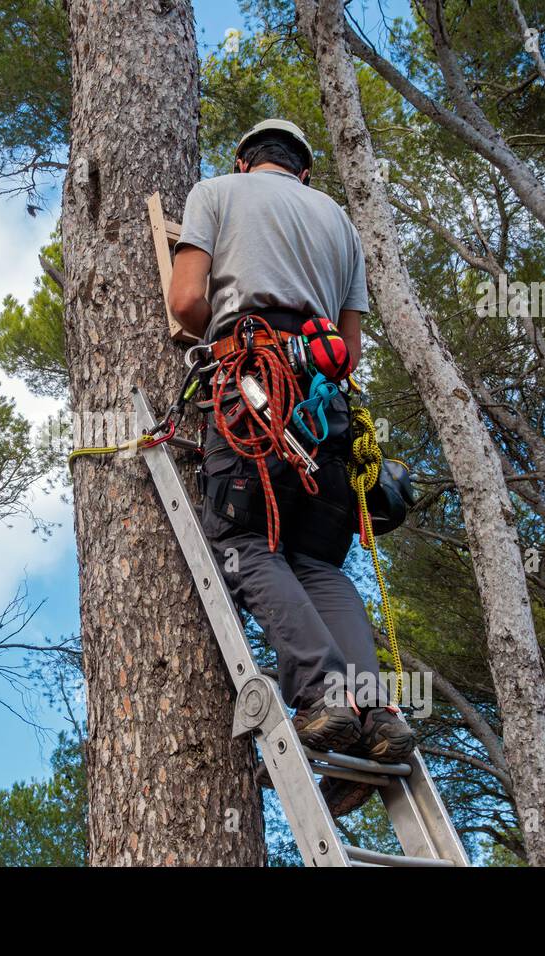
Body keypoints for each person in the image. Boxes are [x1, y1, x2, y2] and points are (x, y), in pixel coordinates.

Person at [168, 119, 413, 768]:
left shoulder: (215, 193)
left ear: (245, 163)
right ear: (305, 172)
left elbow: (187, 298)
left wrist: (225, 332)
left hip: (257, 388)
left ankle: (325, 691)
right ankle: (378, 711)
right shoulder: (340, 224)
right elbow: (351, 351)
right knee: (318, 564)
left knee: (242, 543)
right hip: (327, 412)